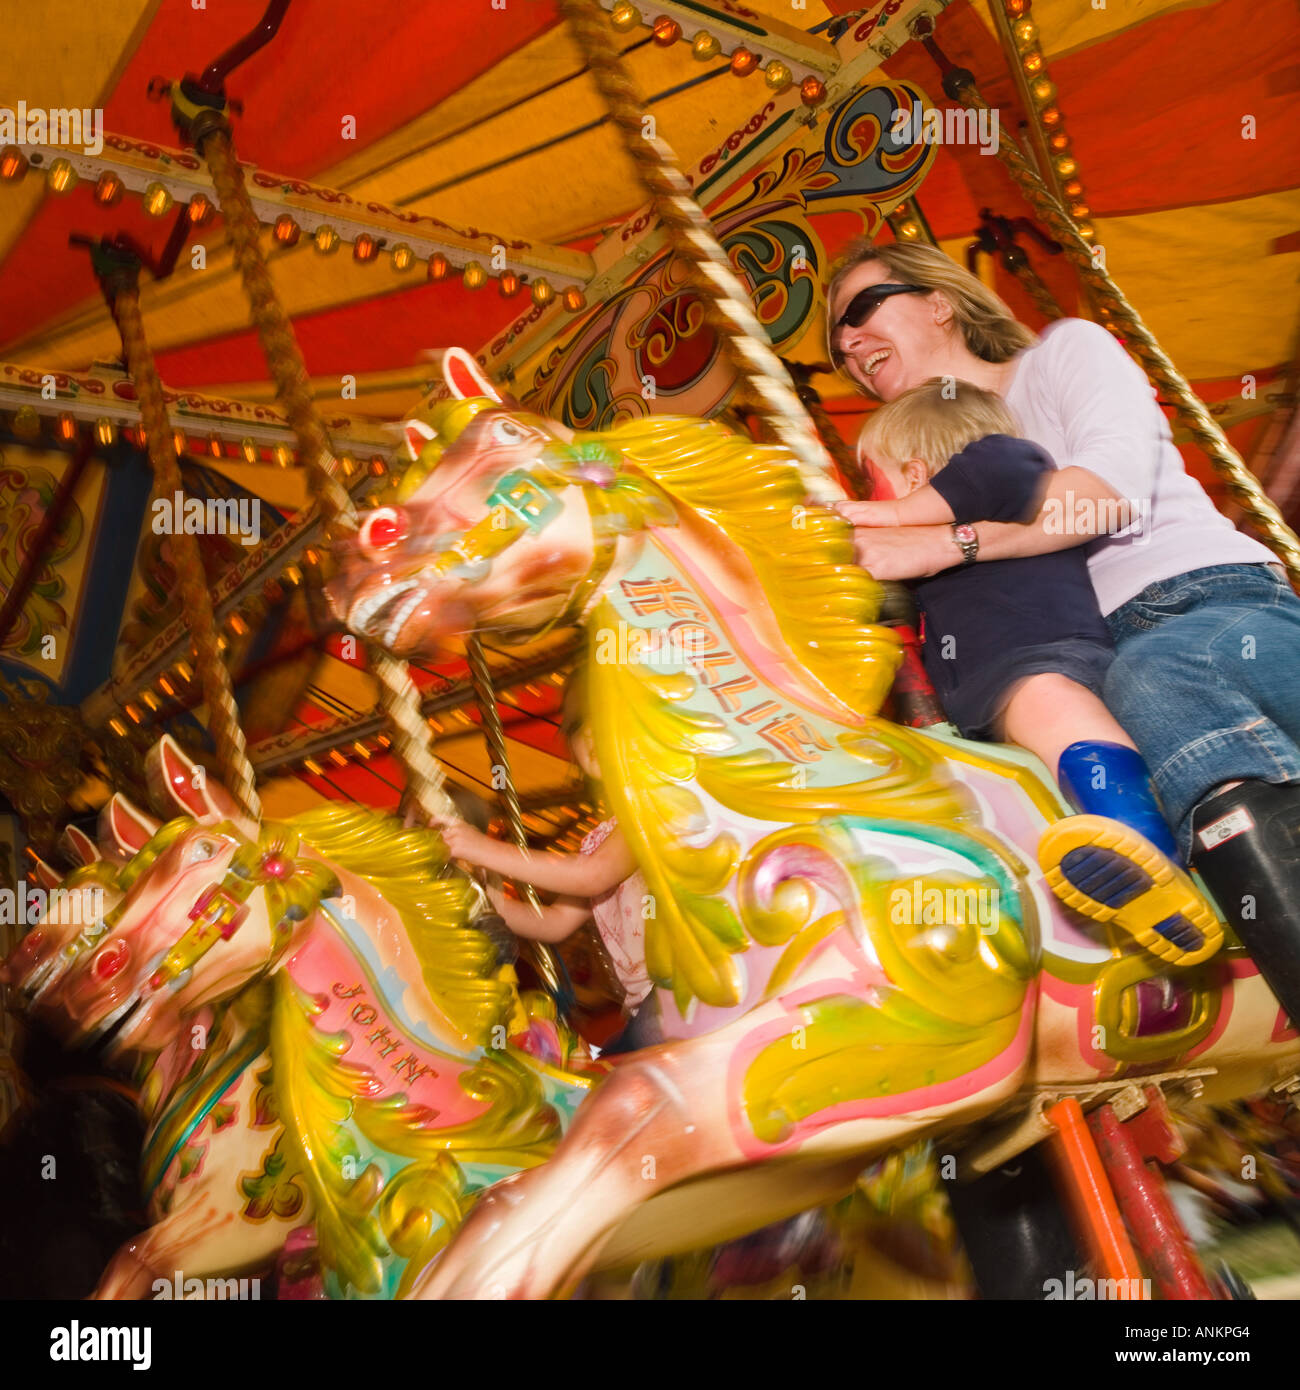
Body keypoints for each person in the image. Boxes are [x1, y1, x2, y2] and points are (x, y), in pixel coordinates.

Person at [826, 240, 1300, 1019]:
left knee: (1155, 677)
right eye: (836, 345)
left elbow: (1101, 497)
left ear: (938, 301)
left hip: (1196, 605)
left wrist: (945, 539)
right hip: (1097, 665)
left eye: (858, 312)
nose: (846, 344)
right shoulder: (935, 454)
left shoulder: (1059, 359)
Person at [855, 376, 1220, 967]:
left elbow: (1007, 460)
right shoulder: (918, 558)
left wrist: (890, 512)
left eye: (871, 479)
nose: (866, 497)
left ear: (918, 477)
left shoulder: (1002, 480)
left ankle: (1145, 849)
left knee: (1048, 704)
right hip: (979, 705)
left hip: (1043, 657)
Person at [436, 701, 655, 1042]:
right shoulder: (599, 842)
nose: (595, 734)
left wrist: (481, 848)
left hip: (676, 994)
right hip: (642, 1006)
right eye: (581, 725)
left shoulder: (650, 813)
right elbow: (552, 923)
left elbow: (590, 875)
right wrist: (492, 902)